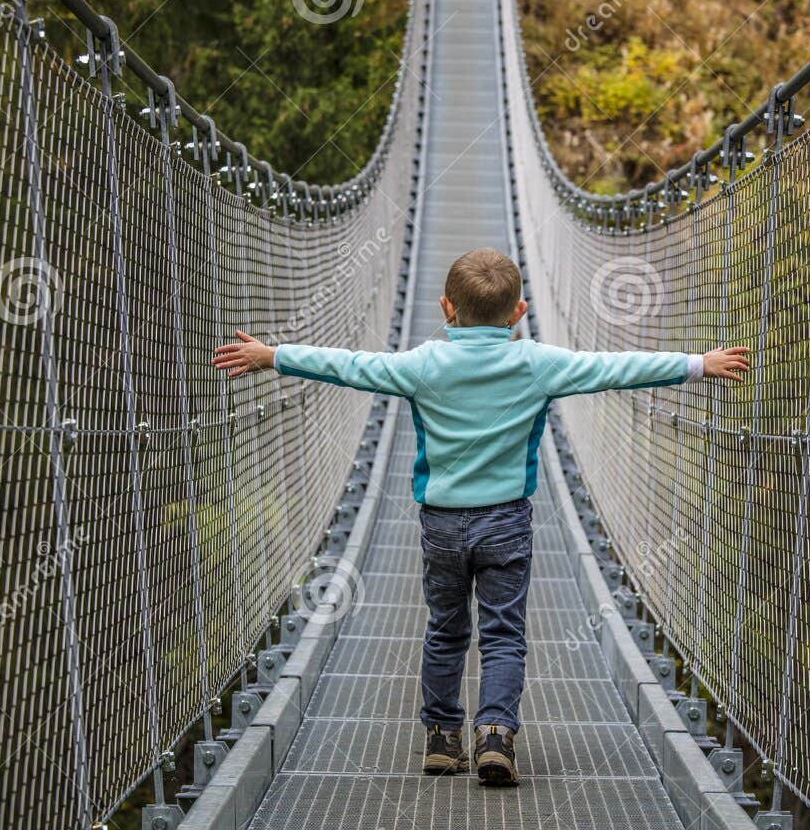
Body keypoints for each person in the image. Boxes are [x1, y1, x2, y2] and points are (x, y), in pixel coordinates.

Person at [213, 247, 749, 786]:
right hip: (506, 522)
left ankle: (443, 739)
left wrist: (273, 355)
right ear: (518, 313)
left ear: (447, 307)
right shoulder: (537, 363)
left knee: (446, 631)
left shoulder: (423, 363)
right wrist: (698, 364)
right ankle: (495, 734)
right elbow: (612, 368)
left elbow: (351, 366)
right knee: (503, 635)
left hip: (442, 525)